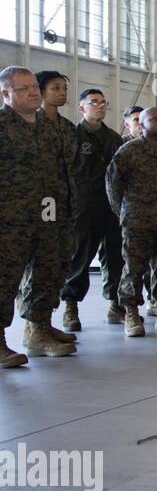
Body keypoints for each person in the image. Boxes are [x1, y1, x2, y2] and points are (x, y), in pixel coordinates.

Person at [0, 66, 74, 365]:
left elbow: (64, 172)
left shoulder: (49, 127)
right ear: (6, 93)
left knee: (49, 272)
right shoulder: (3, 125)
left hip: (50, 217)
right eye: (22, 89)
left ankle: (38, 329)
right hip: (10, 220)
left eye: (33, 87)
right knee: (5, 278)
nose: (32, 92)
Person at [106, 106, 157, 337]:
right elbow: (112, 184)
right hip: (137, 220)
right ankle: (130, 311)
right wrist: (123, 212)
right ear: (142, 124)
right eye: (154, 119)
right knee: (134, 268)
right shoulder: (129, 151)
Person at [60, 87, 125, 329]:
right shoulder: (74, 136)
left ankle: (116, 304)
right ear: (82, 108)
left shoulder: (113, 138)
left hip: (111, 207)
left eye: (103, 102)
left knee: (115, 257)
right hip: (84, 207)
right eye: (94, 102)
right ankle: (71, 306)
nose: (99, 106)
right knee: (80, 258)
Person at [27, 72, 78, 339]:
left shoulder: (68, 128)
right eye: (55, 88)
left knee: (57, 266)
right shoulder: (30, 125)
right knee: (39, 266)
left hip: (63, 207)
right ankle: (34, 329)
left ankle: (44, 322)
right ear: (41, 91)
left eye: (63, 88)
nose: (61, 92)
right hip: (37, 208)